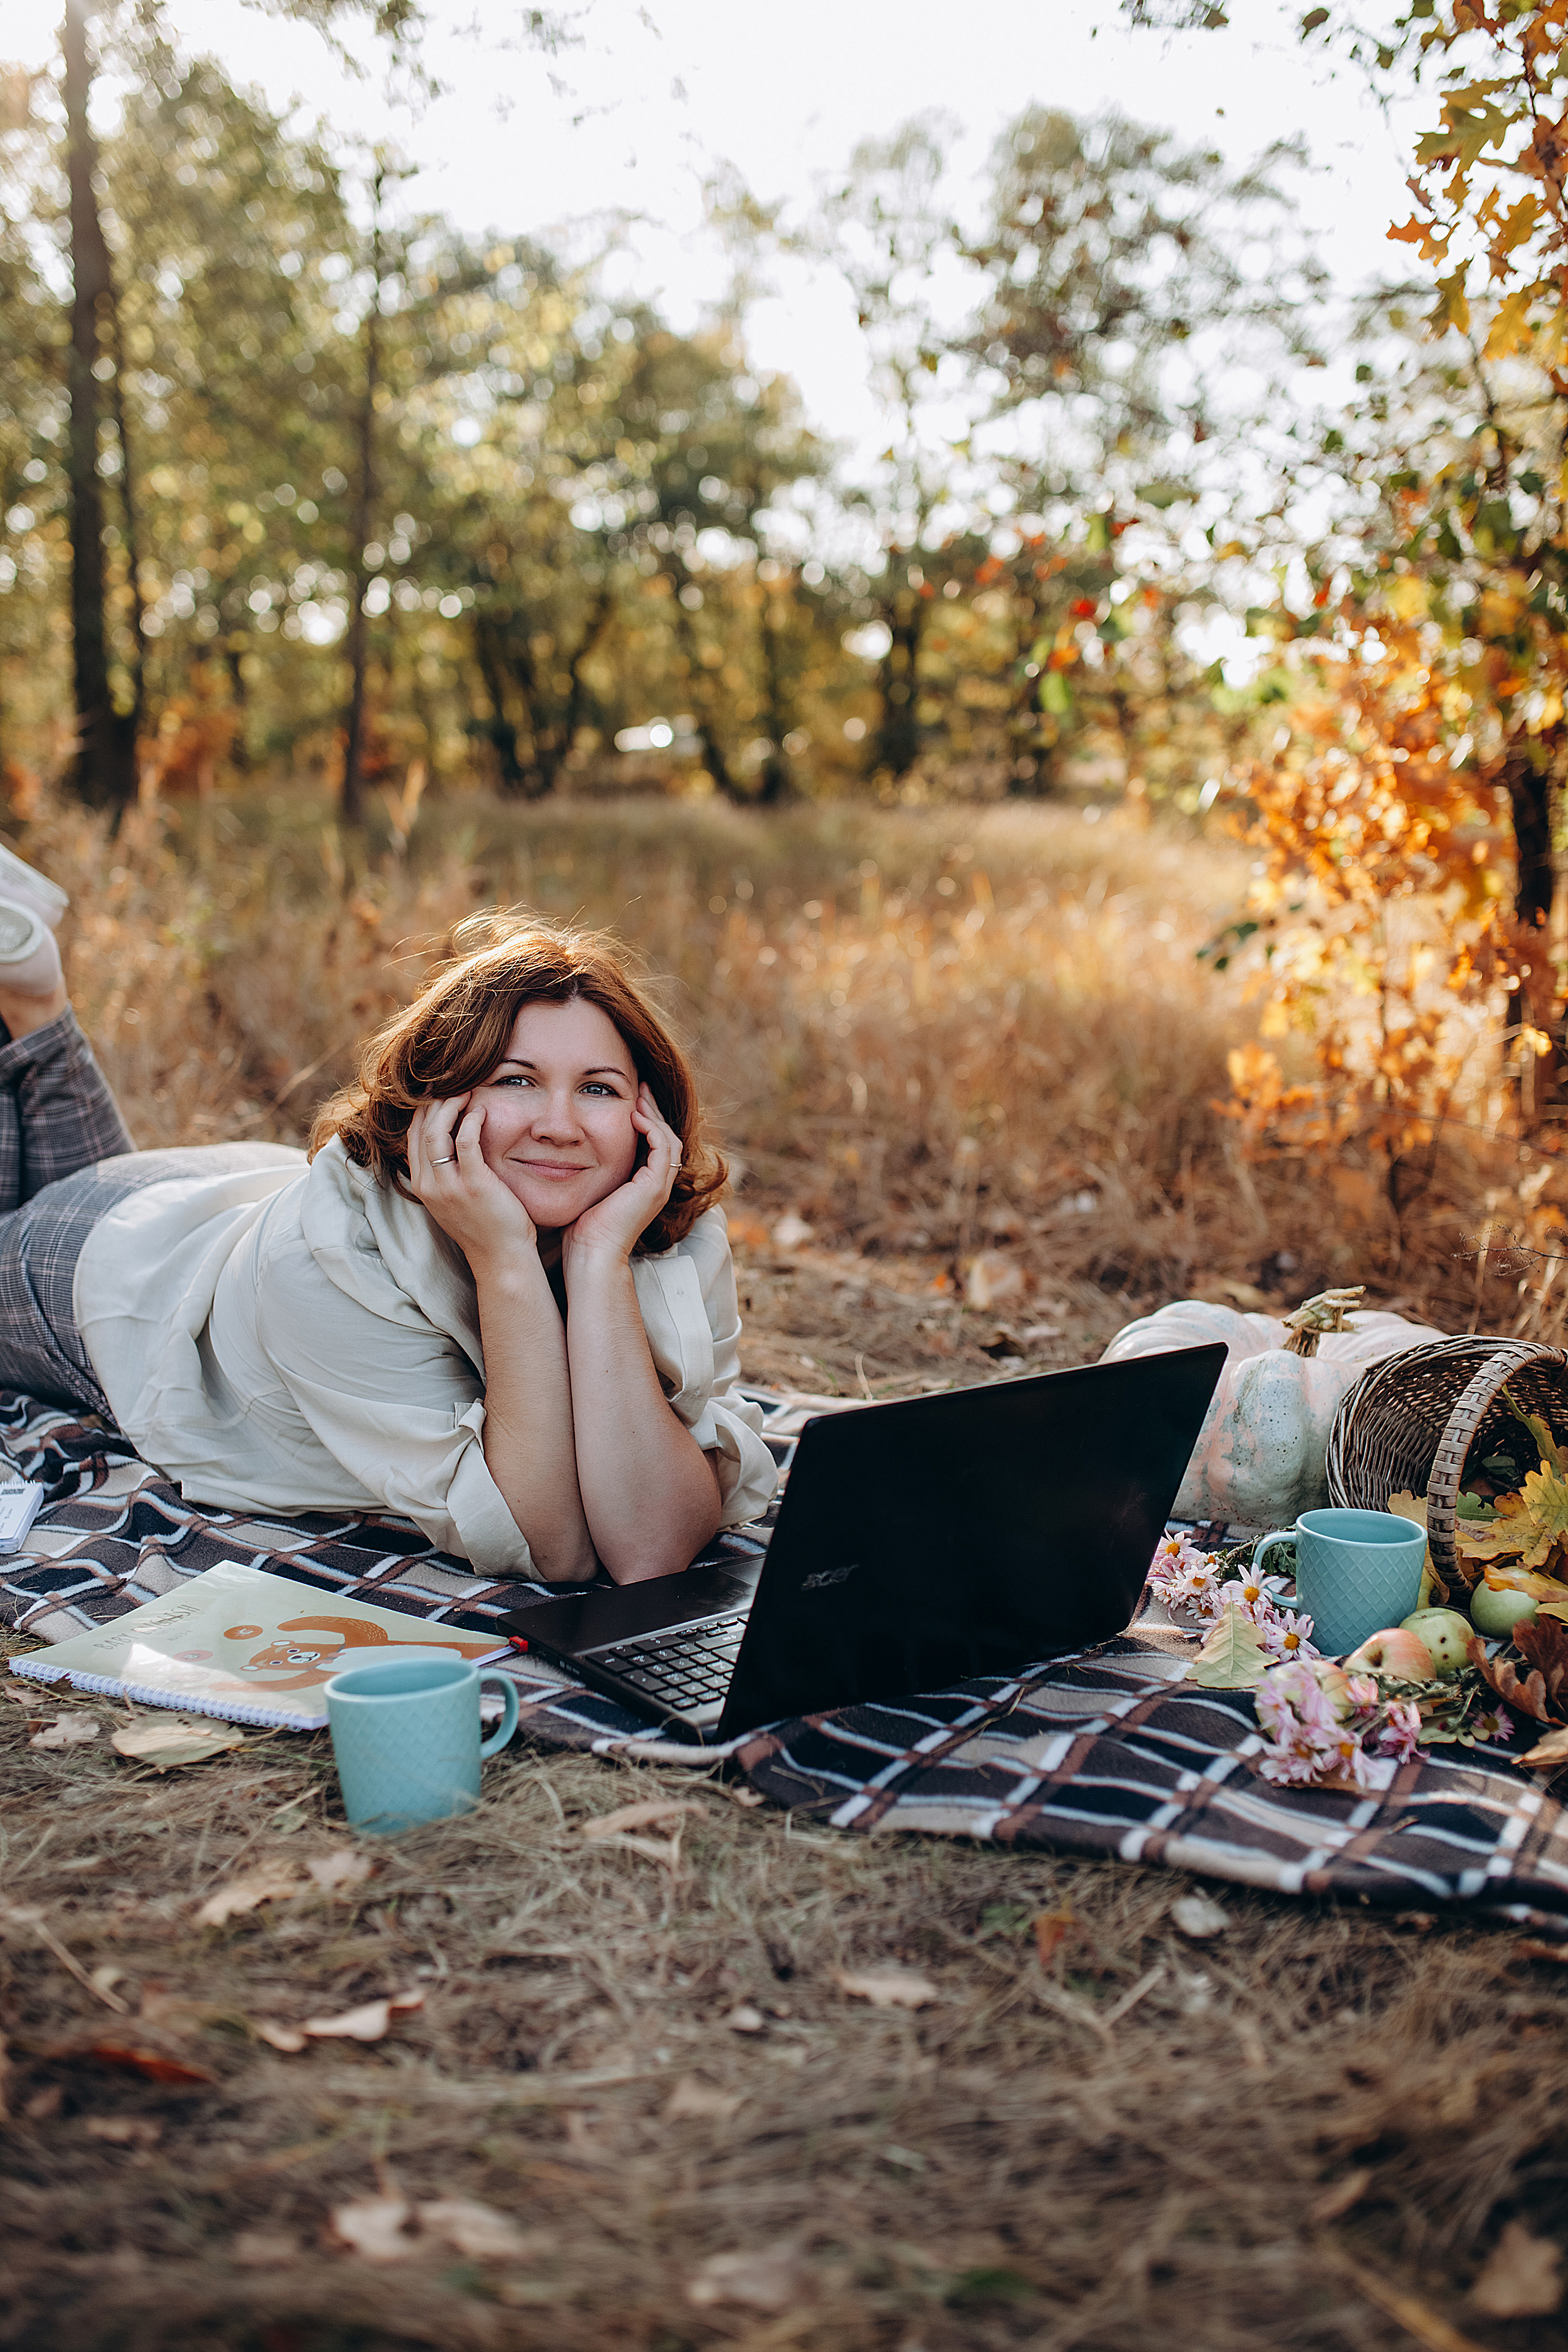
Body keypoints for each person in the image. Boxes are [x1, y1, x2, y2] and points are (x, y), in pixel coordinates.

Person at [0, 857, 775, 1585]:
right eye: (516, 1080)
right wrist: (506, 1259)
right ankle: (37, 1000)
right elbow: (551, 1543)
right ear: (440, 1099)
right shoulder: (326, 1256)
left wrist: (599, 1260)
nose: (559, 1126)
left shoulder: (663, 1225)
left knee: (66, 1176)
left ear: (649, 1114)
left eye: (599, 1089)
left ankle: (35, 994)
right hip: (110, 1272)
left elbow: (652, 1547)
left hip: (226, 1190)